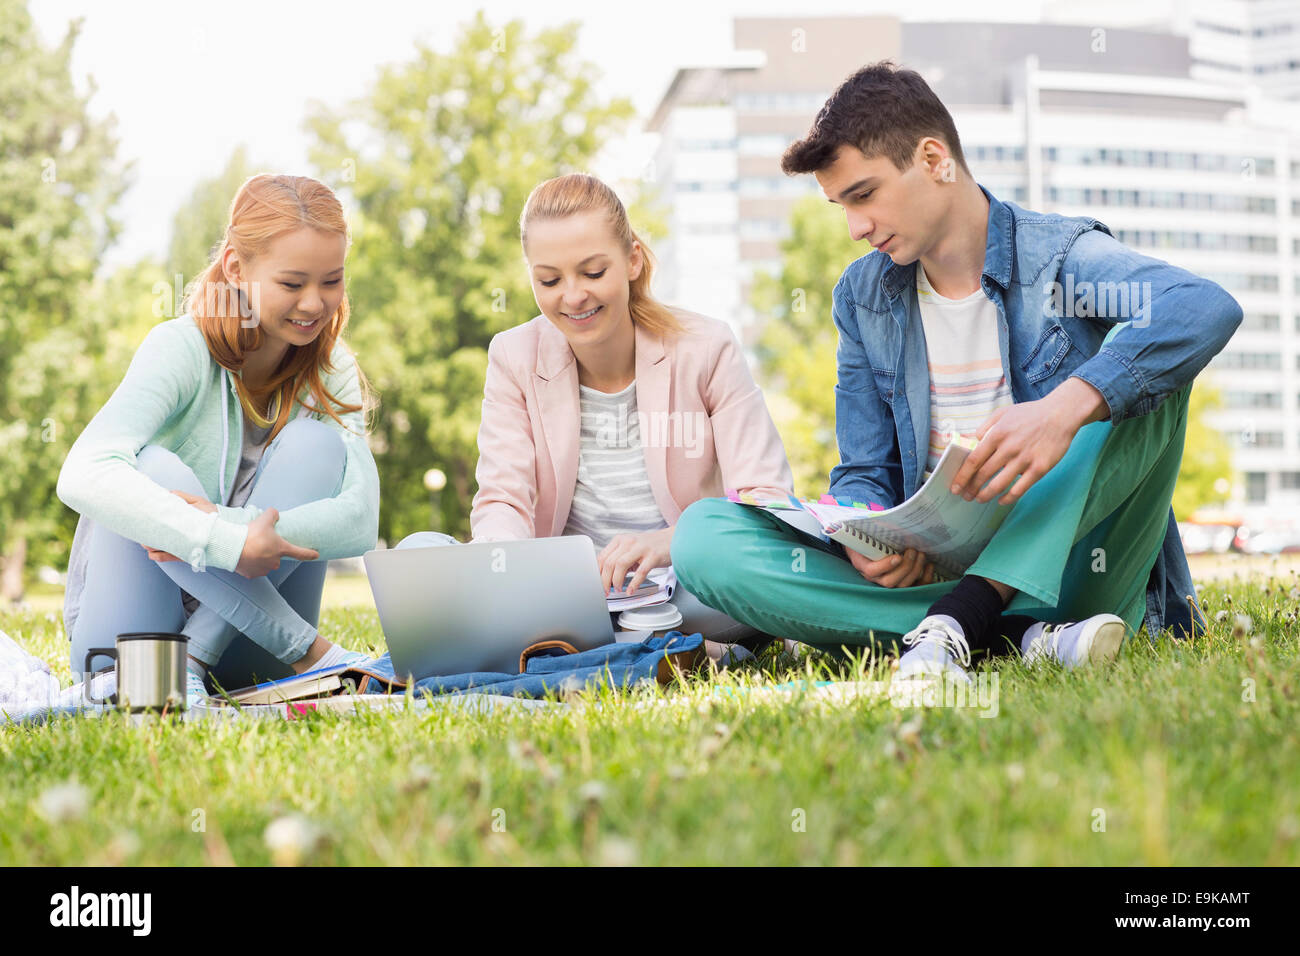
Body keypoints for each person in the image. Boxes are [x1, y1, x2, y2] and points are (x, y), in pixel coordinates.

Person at [670, 62, 1242, 681]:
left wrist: (1061, 411)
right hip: (938, 574)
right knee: (704, 538)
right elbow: (865, 471)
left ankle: (963, 620)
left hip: (1079, 567)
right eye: (841, 206)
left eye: (863, 195)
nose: (855, 227)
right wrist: (872, 539)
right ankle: (1013, 637)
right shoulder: (862, 298)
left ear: (935, 159)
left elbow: (1203, 306)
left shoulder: (1059, 259)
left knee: (1142, 384)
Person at [396, 173, 793, 648]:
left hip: (681, 591)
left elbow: (766, 497)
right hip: (559, 598)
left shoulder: (705, 346)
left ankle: (620, 645)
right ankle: (654, 649)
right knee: (416, 555)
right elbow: (503, 498)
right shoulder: (513, 355)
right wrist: (501, 567)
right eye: (549, 279)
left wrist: (672, 542)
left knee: (747, 573)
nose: (573, 296)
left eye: (592, 272)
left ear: (631, 259)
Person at [58, 174, 380, 703]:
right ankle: (300, 650)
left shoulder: (331, 366)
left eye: (332, 281)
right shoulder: (179, 347)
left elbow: (361, 518)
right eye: (293, 283)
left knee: (316, 446)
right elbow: (84, 472)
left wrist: (230, 532)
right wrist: (224, 543)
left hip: (250, 650)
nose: (315, 304)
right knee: (153, 468)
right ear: (236, 267)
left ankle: (194, 659)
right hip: (133, 644)